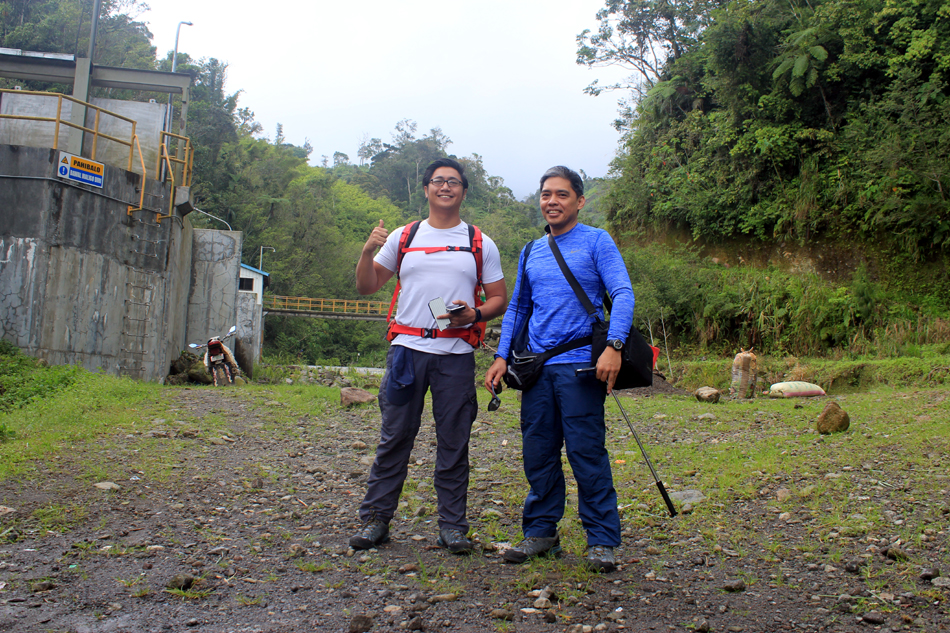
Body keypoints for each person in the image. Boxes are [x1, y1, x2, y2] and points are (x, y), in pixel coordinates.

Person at [352, 158, 507, 554]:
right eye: (438, 181)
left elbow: (498, 299)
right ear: (426, 189)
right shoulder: (404, 237)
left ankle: (453, 527)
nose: (445, 187)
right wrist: (367, 252)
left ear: (464, 191)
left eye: (453, 182)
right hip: (406, 352)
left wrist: (475, 314)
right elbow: (367, 286)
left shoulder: (479, 242)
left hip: (454, 354)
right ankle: (375, 520)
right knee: (394, 438)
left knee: (454, 442)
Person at [484, 165, 635, 573]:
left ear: (579, 201)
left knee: (587, 452)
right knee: (538, 451)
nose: (552, 201)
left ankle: (602, 539)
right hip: (537, 369)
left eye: (562, 194)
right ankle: (541, 532)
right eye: (546, 194)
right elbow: (518, 306)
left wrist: (614, 347)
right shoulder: (533, 250)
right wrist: (501, 356)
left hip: (582, 367)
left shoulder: (597, 242)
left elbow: (622, 292)